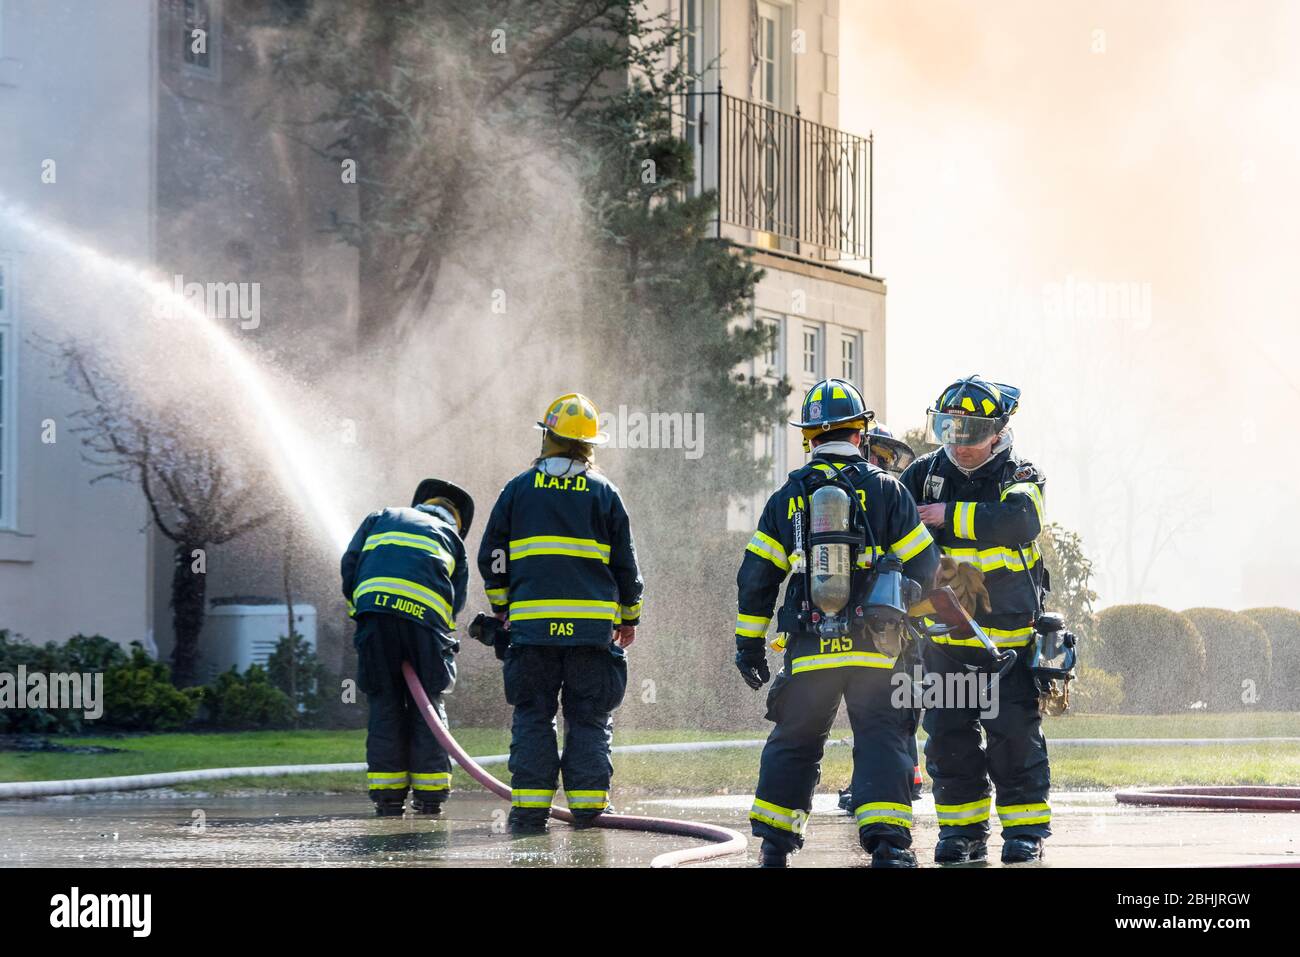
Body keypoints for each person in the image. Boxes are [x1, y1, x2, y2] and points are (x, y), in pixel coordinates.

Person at [736, 378, 940, 868]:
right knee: (882, 738)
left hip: (809, 647)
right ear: (860, 434)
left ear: (809, 436)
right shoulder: (887, 489)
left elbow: (757, 579)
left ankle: (775, 846)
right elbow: (926, 566)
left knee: (796, 739)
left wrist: (748, 645)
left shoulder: (789, 495)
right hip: (876, 649)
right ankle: (889, 846)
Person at [899, 375, 1051, 864]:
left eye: (970, 433)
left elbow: (1020, 521)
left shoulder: (1019, 474)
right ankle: (960, 832)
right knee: (948, 741)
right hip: (943, 643)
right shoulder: (921, 474)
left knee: (1014, 739)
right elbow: (891, 524)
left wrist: (947, 514)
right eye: (950, 429)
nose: (959, 444)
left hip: (1006, 644)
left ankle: (1023, 833)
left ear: (998, 431)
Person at [478, 393, 644, 833]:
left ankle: (530, 811)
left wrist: (503, 610)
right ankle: (589, 810)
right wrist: (629, 618)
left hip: (531, 632)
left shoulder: (517, 490)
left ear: (548, 437)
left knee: (533, 713)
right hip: (591, 634)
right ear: (589, 445)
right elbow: (626, 564)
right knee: (588, 715)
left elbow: (492, 556)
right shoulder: (604, 493)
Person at [341, 478, 474, 816]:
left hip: (375, 618)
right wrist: (440, 645)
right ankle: (430, 798)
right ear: (456, 521)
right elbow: (454, 603)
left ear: (421, 504)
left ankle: (387, 797)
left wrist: (363, 608)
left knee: (384, 700)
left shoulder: (381, 517)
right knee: (427, 699)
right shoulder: (453, 541)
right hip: (424, 626)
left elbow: (350, 563)